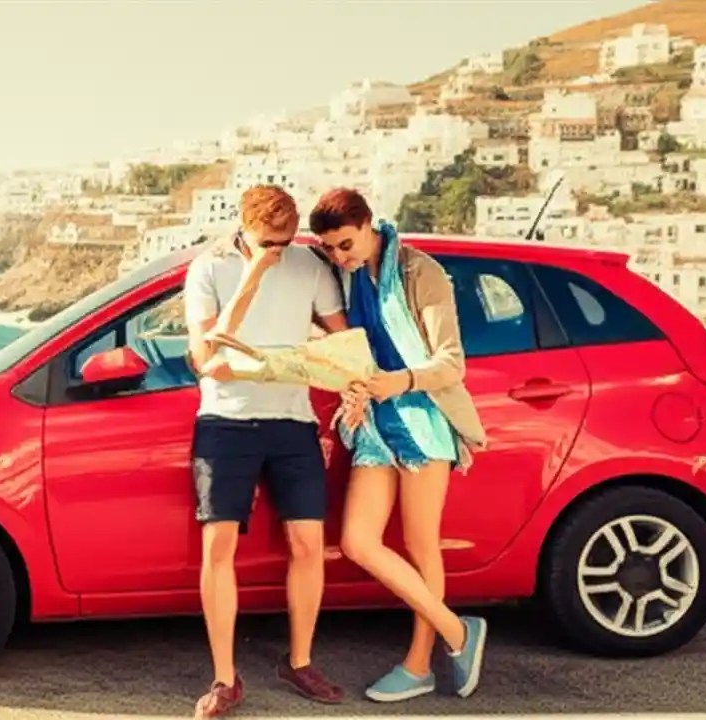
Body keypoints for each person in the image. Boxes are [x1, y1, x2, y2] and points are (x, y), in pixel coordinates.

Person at [308, 187, 490, 702]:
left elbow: (452, 362)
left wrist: (398, 381)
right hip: (373, 426)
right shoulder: (346, 273)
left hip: (421, 420)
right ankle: (459, 631)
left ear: (369, 225)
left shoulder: (420, 272)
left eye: (345, 244)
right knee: (358, 541)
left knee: (419, 543)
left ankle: (418, 665)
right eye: (330, 249)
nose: (338, 256)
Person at [183, 185, 349, 718]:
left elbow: (342, 340)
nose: (278, 250)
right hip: (226, 421)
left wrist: (347, 374)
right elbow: (202, 353)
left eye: (285, 240)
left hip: (292, 421)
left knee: (307, 541)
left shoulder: (309, 265)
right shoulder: (208, 269)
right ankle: (225, 679)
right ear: (243, 226)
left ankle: (298, 662)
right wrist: (254, 273)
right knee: (218, 547)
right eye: (267, 242)